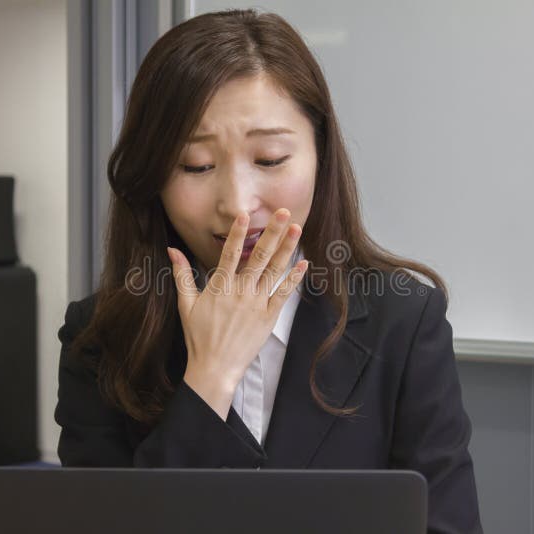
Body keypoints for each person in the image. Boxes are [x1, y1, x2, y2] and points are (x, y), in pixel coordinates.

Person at [55, 8, 482, 533]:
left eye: (271, 159)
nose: (237, 205)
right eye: (195, 166)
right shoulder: (98, 338)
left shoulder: (405, 320)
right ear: (153, 179)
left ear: (320, 154)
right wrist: (210, 376)